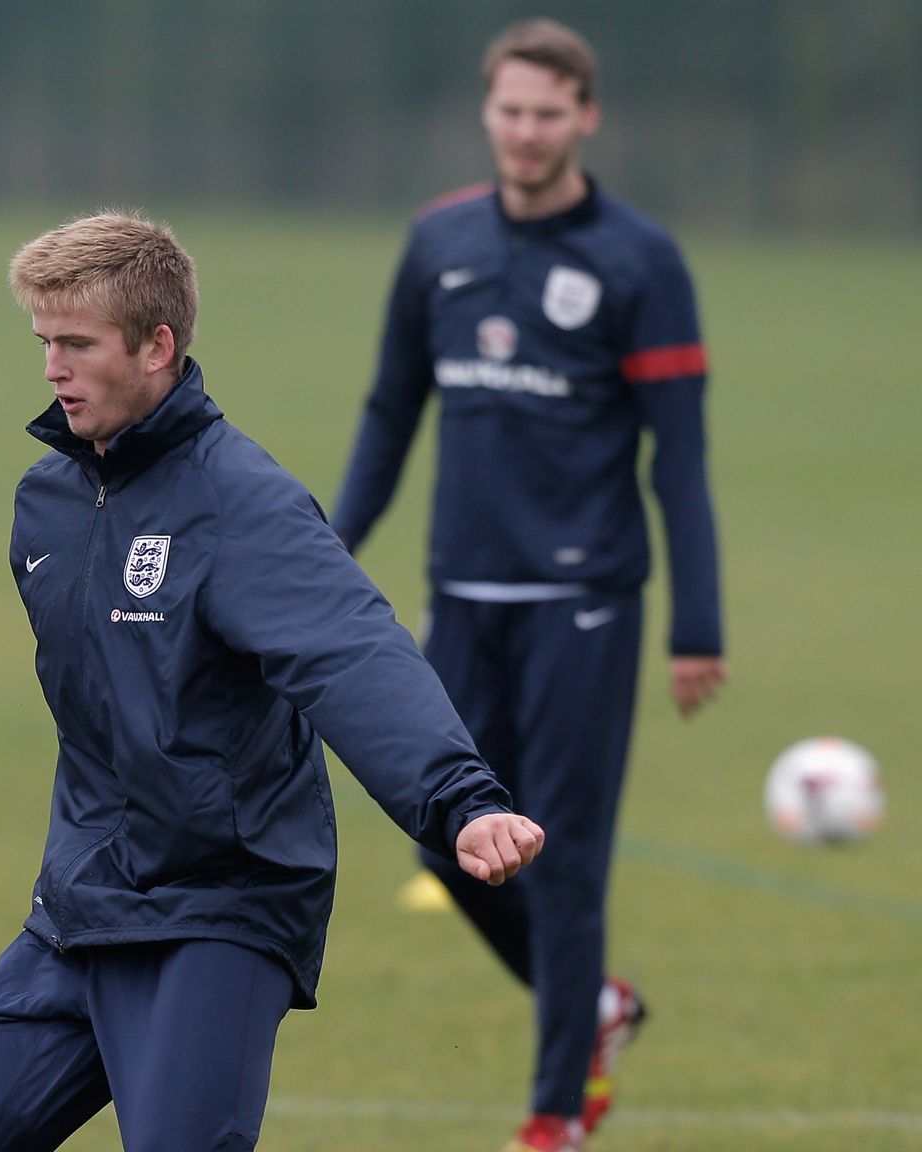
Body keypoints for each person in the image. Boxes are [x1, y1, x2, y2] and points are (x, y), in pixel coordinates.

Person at [0, 212, 545, 1152]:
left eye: (77, 345)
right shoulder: (50, 504)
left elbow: (353, 654)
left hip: (223, 903)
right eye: (43, 343)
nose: (51, 370)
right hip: (86, 897)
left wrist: (460, 801)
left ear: (158, 346)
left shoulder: (241, 504)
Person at [332, 19, 725, 1152]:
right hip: (462, 594)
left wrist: (694, 624)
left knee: (561, 863)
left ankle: (554, 1114)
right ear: (487, 113)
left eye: (547, 113)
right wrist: (331, 540)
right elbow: (388, 408)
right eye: (508, 110)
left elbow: (679, 460)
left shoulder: (637, 261)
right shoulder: (437, 242)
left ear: (583, 120)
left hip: (585, 605)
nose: (525, 132)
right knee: (439, 841)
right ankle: (596, 1006)